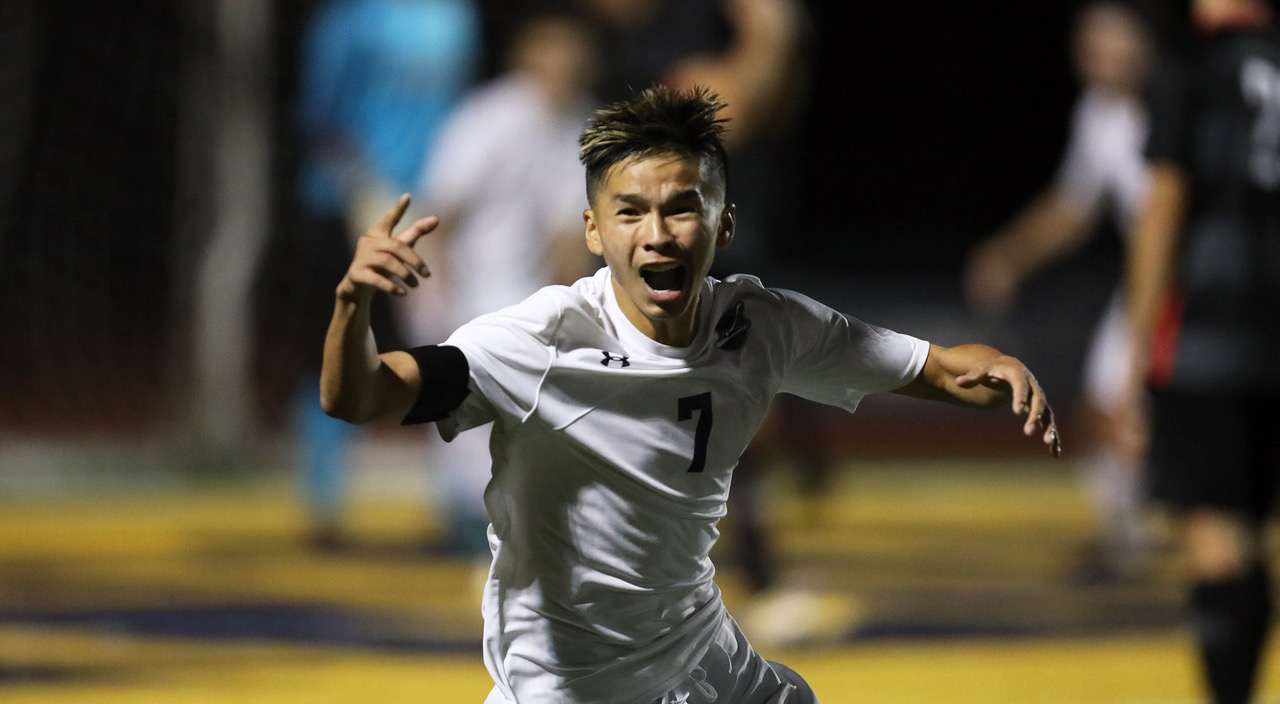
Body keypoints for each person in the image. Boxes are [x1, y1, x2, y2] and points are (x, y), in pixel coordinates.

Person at [320, 86, 1061, 703]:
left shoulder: (762, 323)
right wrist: (352, 307)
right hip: (571, 687)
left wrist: (1004, 373)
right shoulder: (543, 341)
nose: (658, 235)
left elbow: (937, 368)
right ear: (593, 230)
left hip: (702, 655)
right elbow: (364, 397)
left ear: (723, 222)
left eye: (681, 208)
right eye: (630, 212)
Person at [964, 0, 1158, 578]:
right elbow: (1074, 207)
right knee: (1110, 402)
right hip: (1151, 282)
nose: (1098, 56)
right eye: (1089, 42)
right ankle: (1132, 537)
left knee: (1131, 401)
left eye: (1113, 39)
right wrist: (1010, 254)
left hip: (1206, 278)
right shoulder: (1100, 113)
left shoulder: (1177, 101)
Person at [1123, 0, 1280, 701]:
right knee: (1251, 531)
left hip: (1211, 333)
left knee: (1218, 536)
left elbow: (1164, 205)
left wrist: (1136, 349)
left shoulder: (1191, 67)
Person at [404, 10, 603, 555]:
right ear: (527, 57)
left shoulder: (579, 125)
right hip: (469, 288)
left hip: (523, 293)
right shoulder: (488, 120)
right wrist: (441, 299)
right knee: (469, 420)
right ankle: (472, 529)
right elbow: (440, 213)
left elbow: (570, 232)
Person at [285, 0, 481, 546]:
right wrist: (359, 190)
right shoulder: (349, 19)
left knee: (447, 346)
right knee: (334, 346)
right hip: (347, 205)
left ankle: (459, 508)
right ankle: (322, 508)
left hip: (430, 209)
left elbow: (459, 112)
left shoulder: (456, 16)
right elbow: (321, 119)